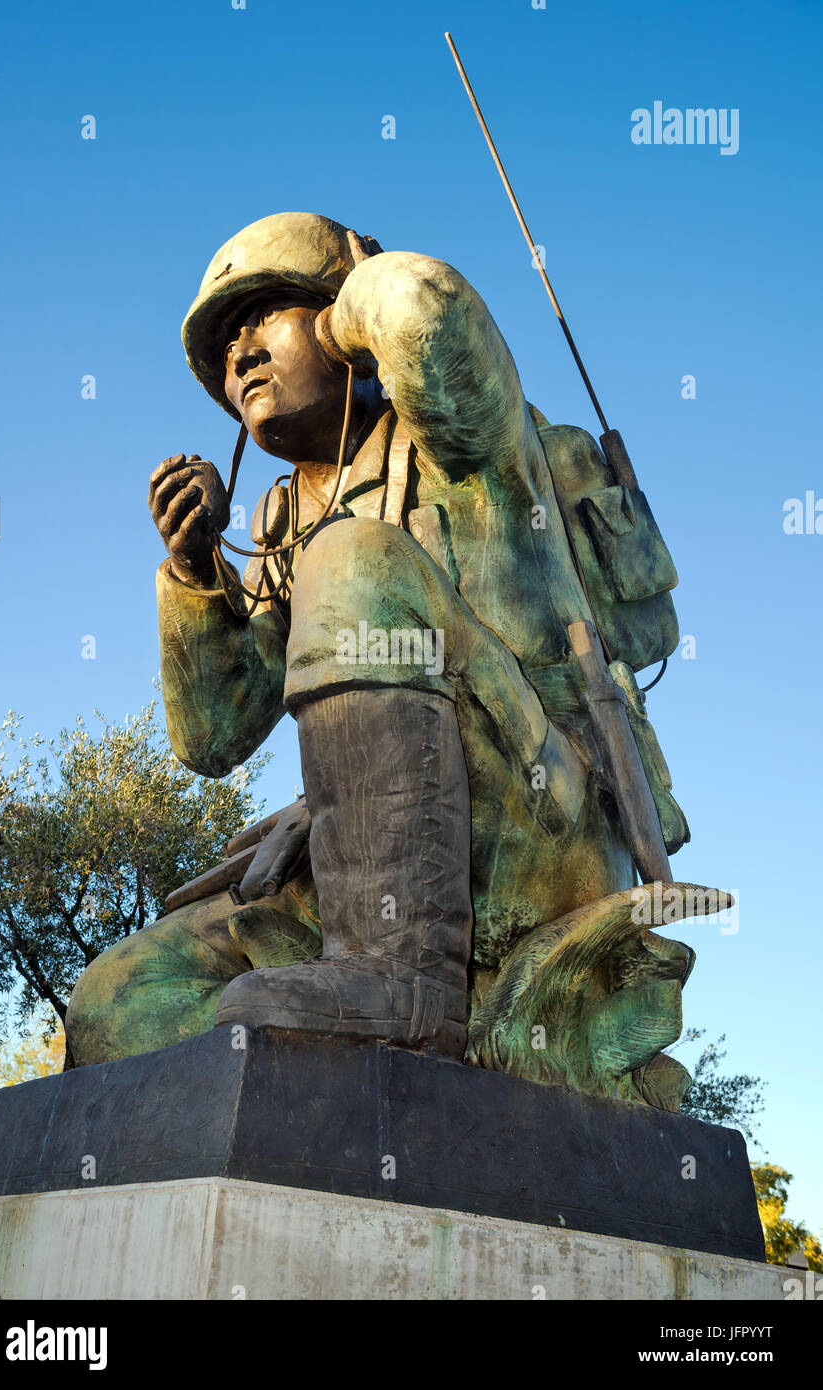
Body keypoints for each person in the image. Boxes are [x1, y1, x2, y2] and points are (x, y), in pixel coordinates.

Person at [66, 211, 687, 1078]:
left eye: (265, 314)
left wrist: (359, 280)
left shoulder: (469, 447)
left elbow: (428, 312)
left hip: (532, 821)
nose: (238, 350)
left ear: (342, 320)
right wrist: (198, 573)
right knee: (121, 1003)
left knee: (353, 557)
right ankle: (354, 1010)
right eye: (222, 344)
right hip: (366, 871)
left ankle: (407, 989)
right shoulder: (285, 518)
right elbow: (211, 740)